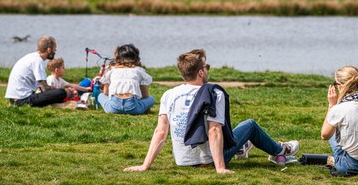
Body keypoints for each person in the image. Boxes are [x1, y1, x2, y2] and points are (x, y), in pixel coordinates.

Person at [124, 48, 299, 174]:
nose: (207, 70)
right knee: (250, 125)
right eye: (206, 67)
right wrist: (220, 168)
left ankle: (242, 148)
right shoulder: (214, 93)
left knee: (236, 132)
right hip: (208, 161)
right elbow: (214, 130)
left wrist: (145, 165)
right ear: (200, 73)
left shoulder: (169, 95)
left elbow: (160, 132)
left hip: (183, 162)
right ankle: (280, 150)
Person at [5, 36, 73, 107]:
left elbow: (41, 87)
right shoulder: (38, 60)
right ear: (49, 50)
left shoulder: (31, 57)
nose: (55, 52)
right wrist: (66, 92)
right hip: (22, 100)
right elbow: (45, 88)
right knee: (61, 92)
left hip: (15, 99)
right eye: (54, 50)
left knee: (56, 93)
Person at [97, 44, 155, 115]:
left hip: (113, 109)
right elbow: (145, 95)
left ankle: (109, 107)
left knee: (100, 96)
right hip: (134, 109)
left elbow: (105, 93)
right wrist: (145, 106)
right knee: (151, 99)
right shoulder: (138, 70)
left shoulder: (110, 70)